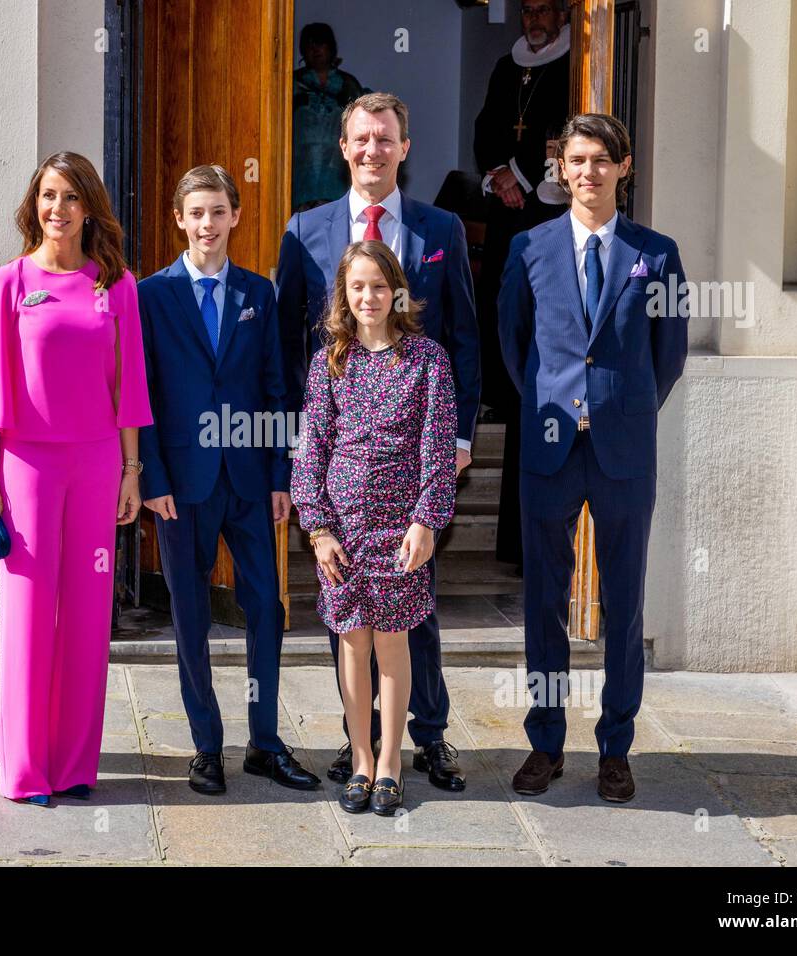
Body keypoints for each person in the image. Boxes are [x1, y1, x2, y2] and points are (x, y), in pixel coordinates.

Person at [277, 91, 480, 791]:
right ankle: (357, 742)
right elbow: (288, 342)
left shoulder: (441, 228)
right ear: (343, 147)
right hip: (340, 465)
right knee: (347, 623)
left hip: (415, 454)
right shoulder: (304, 230)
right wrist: (298, 456)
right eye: (361, 139)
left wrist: (458, 435)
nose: (373, 150)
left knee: (416, 607)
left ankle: (430, 735)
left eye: (385, 138)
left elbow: (465, 334)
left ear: (404, 147)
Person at [498, 114, 689, 803]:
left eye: (601, 160)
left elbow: (668, 354)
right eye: (576, 160)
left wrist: (618, 407)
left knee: (624, 601)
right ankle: (546, 742)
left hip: (623, 451)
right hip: (549, 449)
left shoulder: (657, 253)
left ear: (623, 166)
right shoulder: (528, 247)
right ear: (561, 168)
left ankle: (616, 748)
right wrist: (554, 403)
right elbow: (513, 343)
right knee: (544, 600)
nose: (588, 172)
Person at [0, 152, 153, 807]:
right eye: (48, 195)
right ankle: (24, 769)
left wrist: (131, 472)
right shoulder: (8, 283)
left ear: (89, 207)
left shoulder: (116, 286)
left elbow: (129, 387)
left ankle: (73, 766)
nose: (58, 208)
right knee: (28, 615)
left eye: (71, 197)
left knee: (87, 617)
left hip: (97, 464)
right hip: (27, 467)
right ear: (34, 204)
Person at [138, 165, 319, 795]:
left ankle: (264, 741)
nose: (208, 224)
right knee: (189, 612)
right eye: (197, 213)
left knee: (266, 605)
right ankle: (206, 744)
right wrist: (151, 475)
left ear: (235, 216)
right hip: (180, 482)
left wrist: (280, 473)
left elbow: (276, 387)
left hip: (248, 477)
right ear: (179, 220)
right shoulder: (151, 295)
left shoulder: (258, 294)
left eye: (219, 211)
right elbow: (143, 394)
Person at [291, 241, 457, 816]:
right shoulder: (329, 362)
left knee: (391, 643)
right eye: (357, 286)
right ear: (344, 294)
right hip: (342, 532)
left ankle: (390, 761)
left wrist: (426, 522)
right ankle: (360, 757)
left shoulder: (428, 360)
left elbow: (438, 451)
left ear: (397, 292)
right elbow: (312, 449)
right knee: (352, 642)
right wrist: (318, 528)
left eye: (379, 286)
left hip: (399, 531)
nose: (369, 297)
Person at [473, 0, 572, 570]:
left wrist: (521, 175)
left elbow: (563, 136)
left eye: (543, 10)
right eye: (527, 9)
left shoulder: (573, 66)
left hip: (546, 212)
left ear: (562, 14)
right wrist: (496, 173)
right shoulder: (506, 67)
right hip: (508, 217)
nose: (533, 19)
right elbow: (486, 128)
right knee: (504, 326)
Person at [292, 22, 367, 212]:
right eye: (309, 45)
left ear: (331, 47)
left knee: (336, 218)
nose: (315, 49)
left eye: (320, 43)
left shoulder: (348, 84)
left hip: (337, 168)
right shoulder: (291, 84)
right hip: (300, 169)